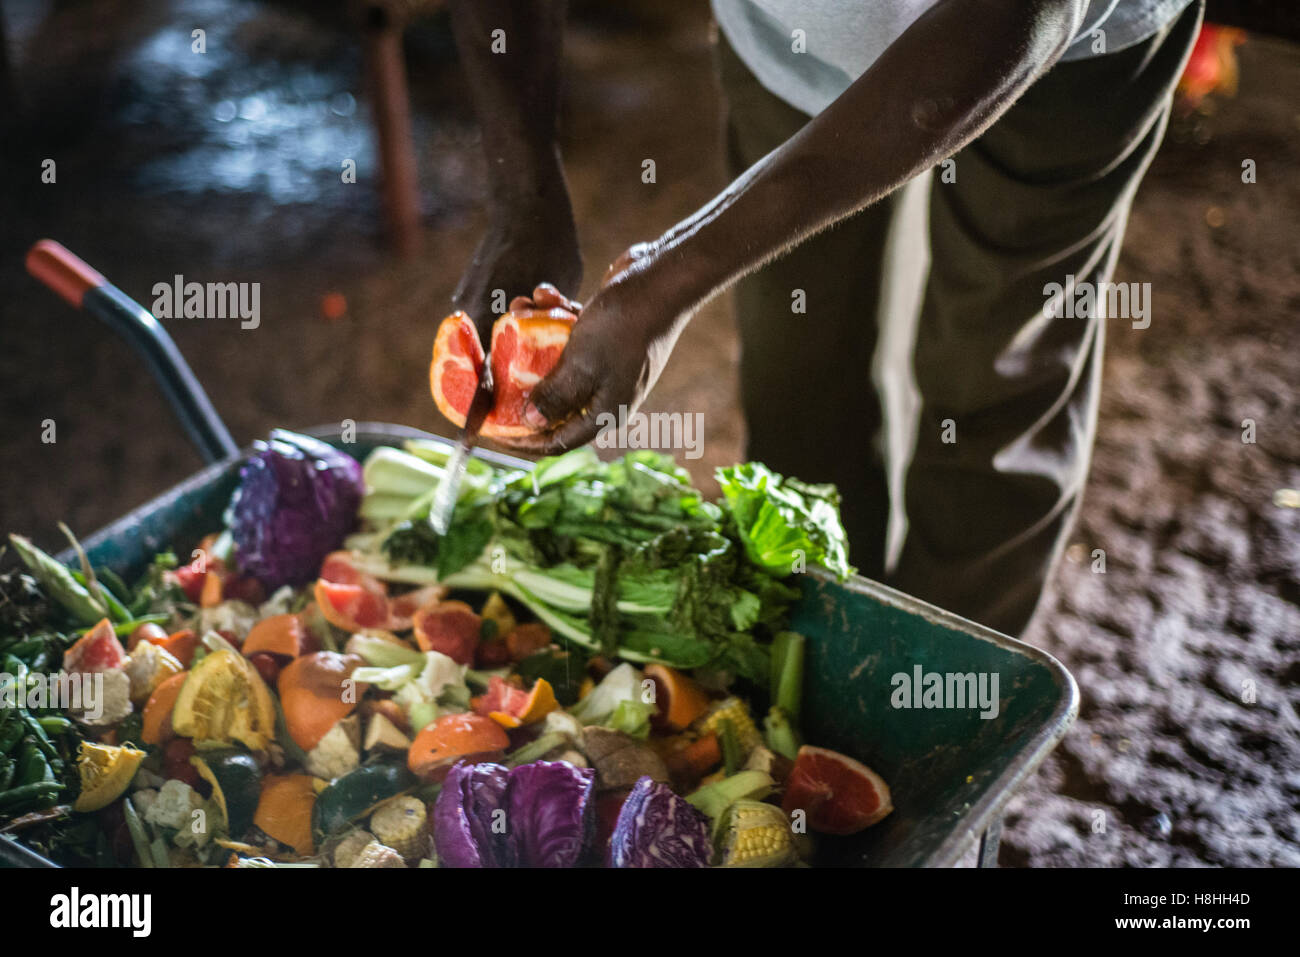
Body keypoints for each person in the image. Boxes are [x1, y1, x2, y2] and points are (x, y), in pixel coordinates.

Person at [444, 0, 1204, 636]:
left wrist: (672, 274)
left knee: (996, 374)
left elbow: (1016, 13)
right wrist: (523, 194)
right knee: (794, 360)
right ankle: (825, 638)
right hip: (786, 35)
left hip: (1065, 51)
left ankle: (954, 706)